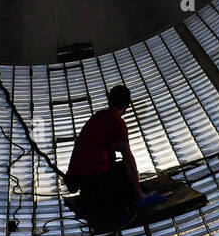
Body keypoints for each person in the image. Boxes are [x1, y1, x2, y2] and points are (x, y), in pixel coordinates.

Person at [66, 84, 164, 221]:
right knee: (124, 169)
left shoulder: (98, 117)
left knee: (115, 163)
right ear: (127, 105)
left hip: (77, 179)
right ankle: (116, 200)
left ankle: (93, 197)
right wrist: (138, 193)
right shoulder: (117, 123)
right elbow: (128, 159)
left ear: (109, 99)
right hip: (94, 180)